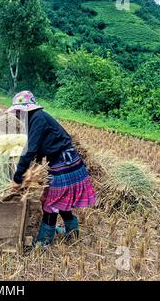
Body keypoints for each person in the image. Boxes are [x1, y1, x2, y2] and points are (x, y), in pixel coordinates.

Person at [8, 91, 96, 246]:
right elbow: (40, 147)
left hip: (64, 165)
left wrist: (18, 175)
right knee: (61, 201)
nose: (16, 115)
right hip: (68, 161)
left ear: (24, 109)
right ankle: (72, 233)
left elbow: (31, 149)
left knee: (51, 203)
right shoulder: (36, 118)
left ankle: (44, 242)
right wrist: (31, 168)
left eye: (17, 112)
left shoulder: (37, 119)